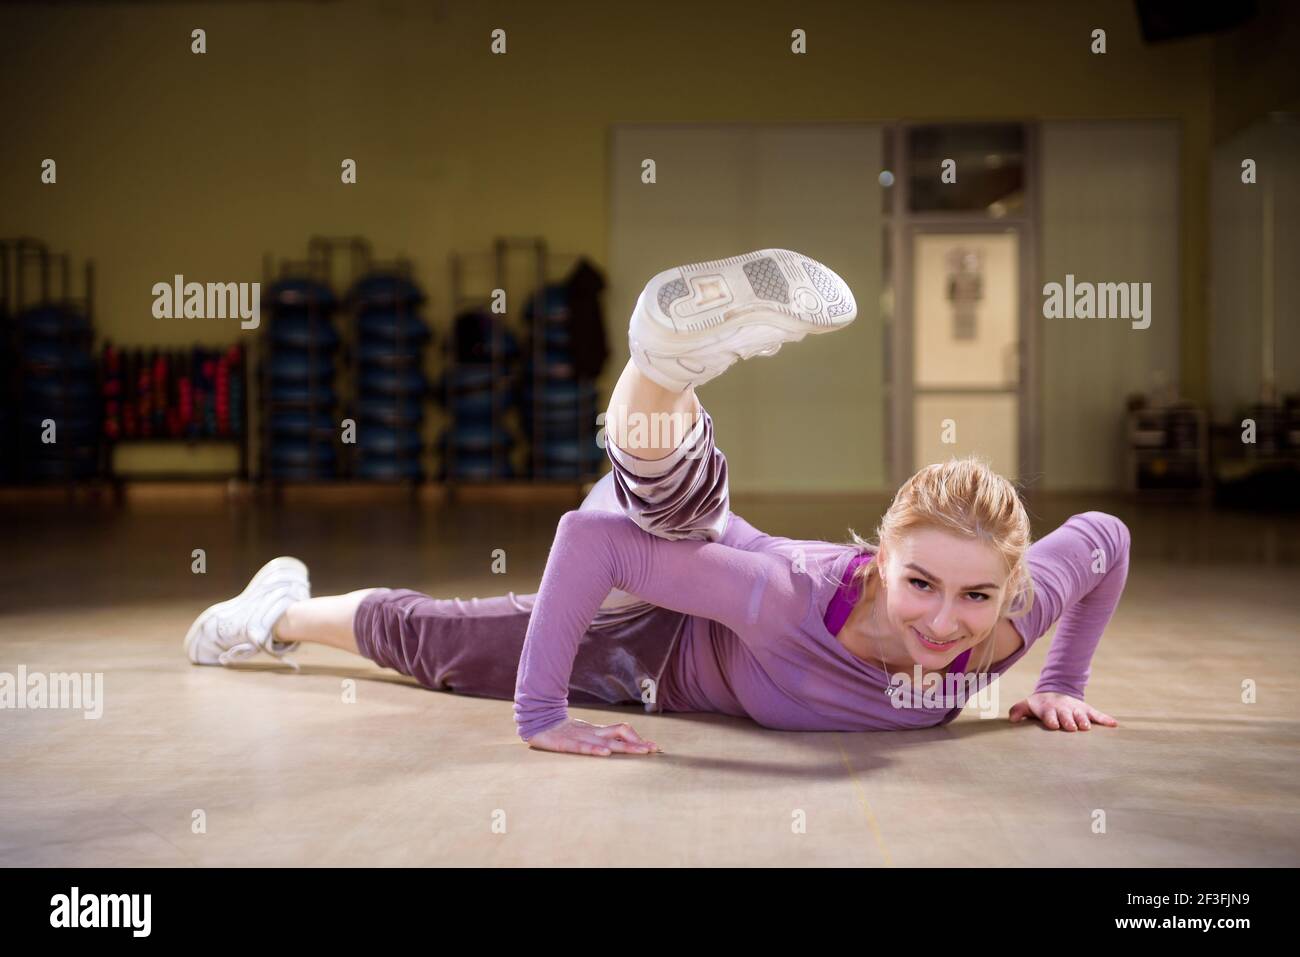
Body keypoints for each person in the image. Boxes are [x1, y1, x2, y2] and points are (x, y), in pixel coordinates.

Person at [185, 248, 1128, 757]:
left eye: (977, 598)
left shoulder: (1015, 614)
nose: (946, 622)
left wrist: (1060, 685)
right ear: (882, 558)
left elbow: (1106, 537)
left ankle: (662, 372)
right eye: (922, 581)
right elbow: (591, 538)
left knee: (684, 505)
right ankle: (270, 617)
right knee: (450, 641)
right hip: (660, 632)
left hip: (708, 544)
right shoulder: (786, 601)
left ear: (1012, 592)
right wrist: (541, 713)